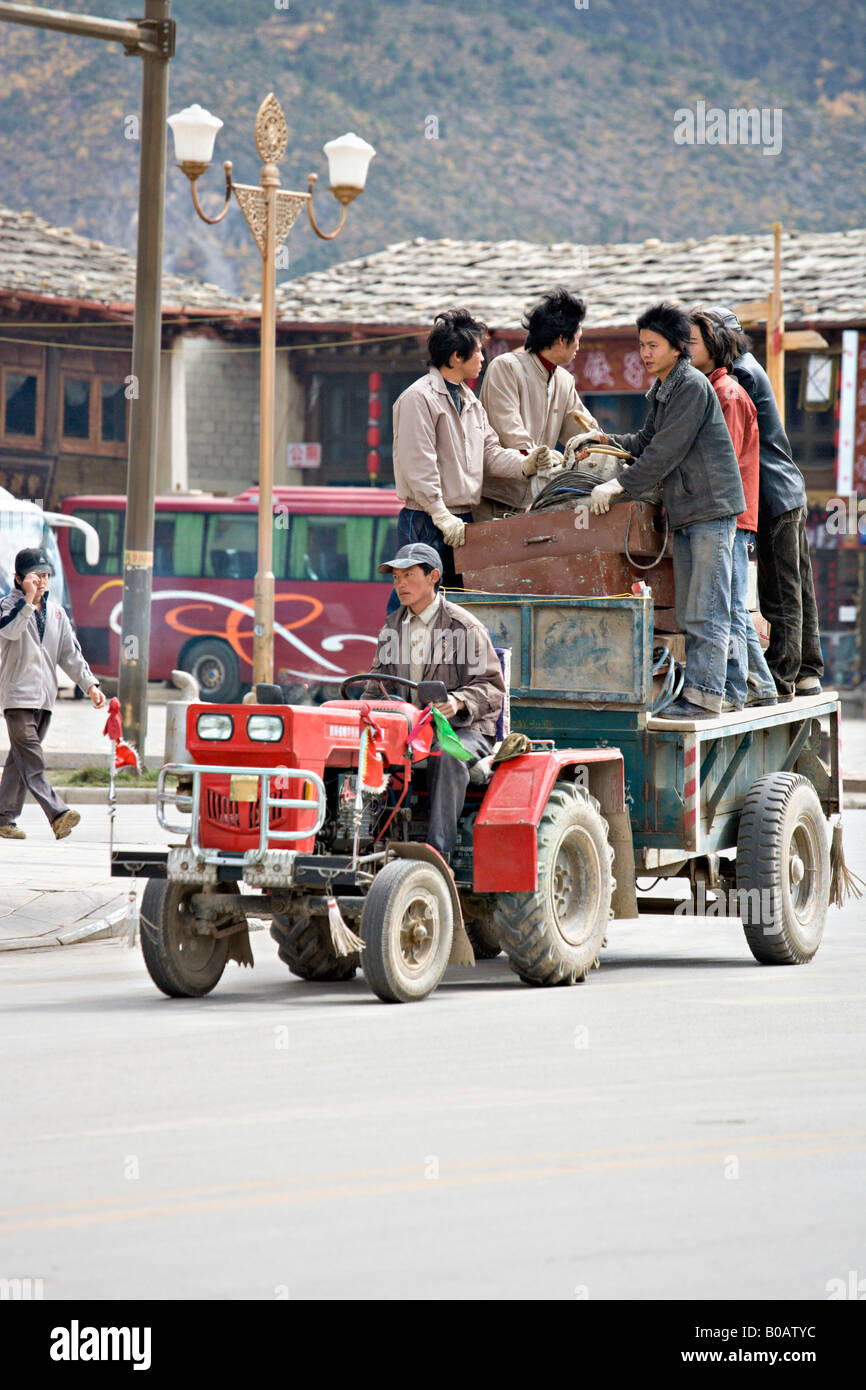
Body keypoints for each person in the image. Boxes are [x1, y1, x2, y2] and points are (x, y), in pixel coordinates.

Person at [587, 302, 746, 720]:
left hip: (709, 508)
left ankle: (704, 696)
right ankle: (720, 690)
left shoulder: (690, 386)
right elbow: (645, 440)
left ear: (677, 348)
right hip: (689, 510)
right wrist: (603, 441)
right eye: (641, 345)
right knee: (698, 606)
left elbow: (665, 451)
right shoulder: (665, 387)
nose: (645, 353)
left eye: (653, 345)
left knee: (706, 606)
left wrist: (618, 485)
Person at [389, 308, 558, 612]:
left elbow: (490, 453)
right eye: (478, 350)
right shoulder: (419, 398)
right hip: (426, 519)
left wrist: (526, 464)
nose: (483, 358)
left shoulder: (470, 401)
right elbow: (418, 465)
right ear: (456, 356)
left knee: (452, 607)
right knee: (414, 602)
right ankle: (395, 659)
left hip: (462, 520)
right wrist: (440, 514)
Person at [705, 305, 823, 699]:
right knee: (797, 585)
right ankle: (807, 670)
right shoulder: (751, 364)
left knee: (779, 590)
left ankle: (784, 676)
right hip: (786, 489)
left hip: (771, 492)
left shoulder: (738, 375)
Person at [366, 543, 504, 861]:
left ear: (433, 577)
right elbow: (375, 689)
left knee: (445, 752)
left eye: (408, 575)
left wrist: (457, 702)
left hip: (462, 732)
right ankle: (363, 843)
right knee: (355, 750)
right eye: (396, 577)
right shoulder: (391, 628)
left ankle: (436, 856)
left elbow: (492, 687)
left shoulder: (464, 627)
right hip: (405, 730)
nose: (399, 584)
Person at [688, 309, 779, 710]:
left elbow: (718, 459)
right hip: (732, 512)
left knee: (727, 605)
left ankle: (741, 689)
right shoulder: (714, 390)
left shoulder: (727, 394)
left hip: (731, 513)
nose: (684, 351)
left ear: (714, 347)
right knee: (733, 605)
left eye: (690, 343)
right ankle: (762, 686)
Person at [0, 546, 106, 841]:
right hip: (17, 697)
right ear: (19, 579)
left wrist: (90, 685)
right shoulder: (7, 606)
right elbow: (8, 631)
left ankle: (3, 816)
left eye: (46, 576)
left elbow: (70, 654)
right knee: (33, 760)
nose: (43, 582)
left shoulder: (57, 613)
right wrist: (28, 602)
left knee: (19, 760)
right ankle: (57, 814)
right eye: (36, 577)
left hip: (45, 700)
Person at [479, 287, 600, 514]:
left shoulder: (564, 380)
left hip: (533, 502)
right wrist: (541, 457)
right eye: (577, 339)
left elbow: (583, 429)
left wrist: (604, 449)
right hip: (492, 497)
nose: (578, 347)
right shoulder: (506, 367)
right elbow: (509, 430)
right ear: (562, 339)